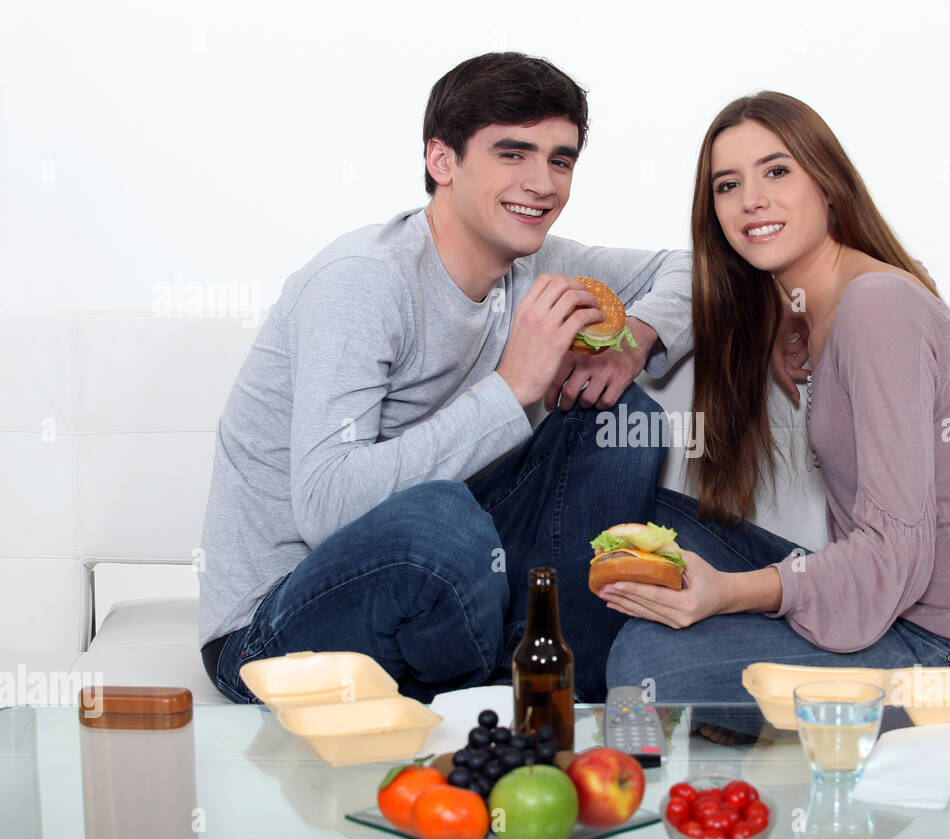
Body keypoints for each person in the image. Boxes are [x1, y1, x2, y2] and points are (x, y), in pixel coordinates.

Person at [198, 53, 692, 706]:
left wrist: (630, 342)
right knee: (441, 516)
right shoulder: (365, 282)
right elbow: (323, 507)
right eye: (512, 154)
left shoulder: (536, 263)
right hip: (278, 627)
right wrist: (512, 388)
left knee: (619, 417)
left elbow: (694, 270)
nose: (541, 183)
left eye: (560, 159)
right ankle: (491, 684)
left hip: (452, 577)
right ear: (442, 161)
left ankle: (557, 685)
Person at [601, 91, 950, 707]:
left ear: (827, 185)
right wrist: (783, 316)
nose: (751, 201)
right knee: (646, 524)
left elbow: (892, 557)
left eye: (776, 171)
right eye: (727, 185)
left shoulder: (878, 308)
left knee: (647, 662)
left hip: (949, 655)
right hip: (886, 607)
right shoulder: (828, 301)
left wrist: (729, 594)